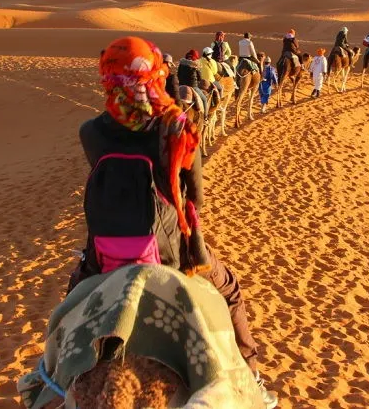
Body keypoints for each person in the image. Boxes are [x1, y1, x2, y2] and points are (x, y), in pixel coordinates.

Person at [71, 36, 277, 407]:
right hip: (170, 252)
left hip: (104, 255)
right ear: (155, 72)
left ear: (107, 75)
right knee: (229, 291)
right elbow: (195, 198)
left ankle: (54, 376)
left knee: (70, 307)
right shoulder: (177, 126)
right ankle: (251, 377)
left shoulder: (90, 132)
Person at [178, 49, 208, 118]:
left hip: (181, 85)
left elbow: (178, 75)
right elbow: (199, 78)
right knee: (204, 99)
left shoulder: (181, 64)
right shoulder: (195, 65)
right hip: (192, 86)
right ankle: (205, 117)